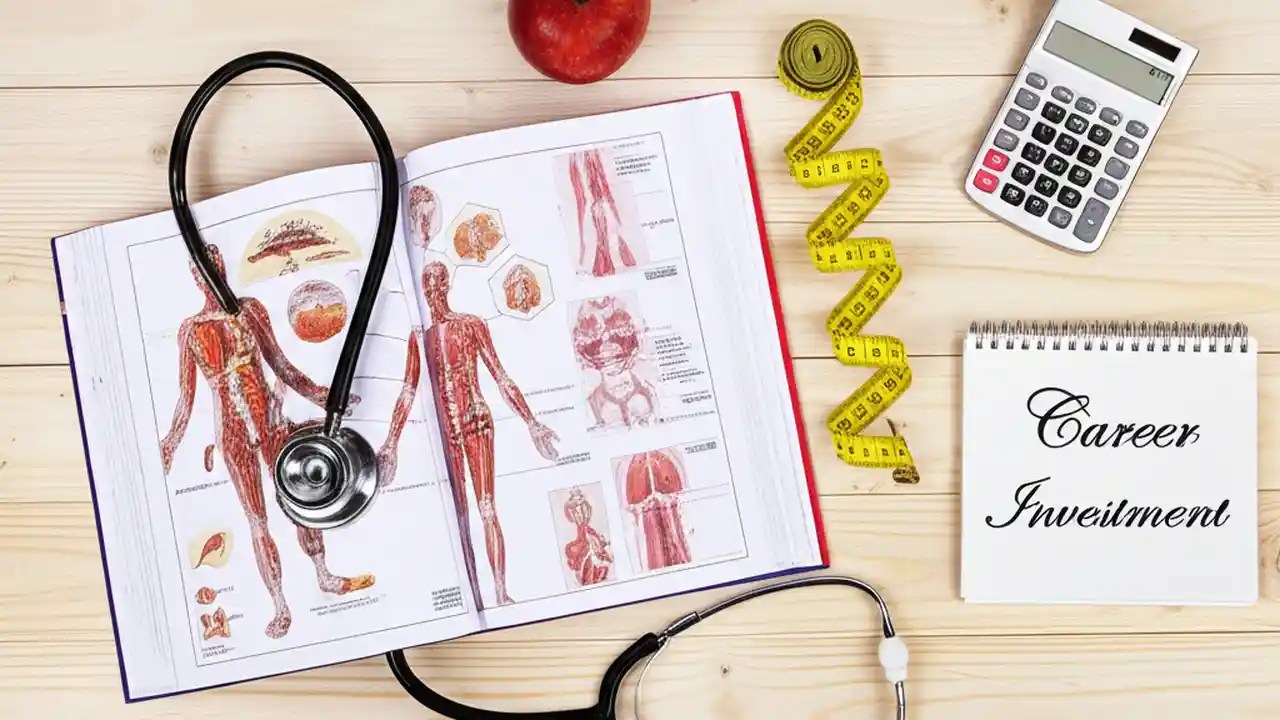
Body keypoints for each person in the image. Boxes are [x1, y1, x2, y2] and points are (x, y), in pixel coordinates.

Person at [420, 260, 559, 606]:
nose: (434, 291)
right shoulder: (420, 338)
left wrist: (532, 422)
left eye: (438, 283)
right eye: (428, 284)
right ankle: (475, 597)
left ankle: (500, 591)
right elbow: (412, 392)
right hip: (446, 431)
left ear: (448, 285)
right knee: (460, 513)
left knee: (485, 508)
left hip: (475, 420)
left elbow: (501, 375)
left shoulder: (470, 325)